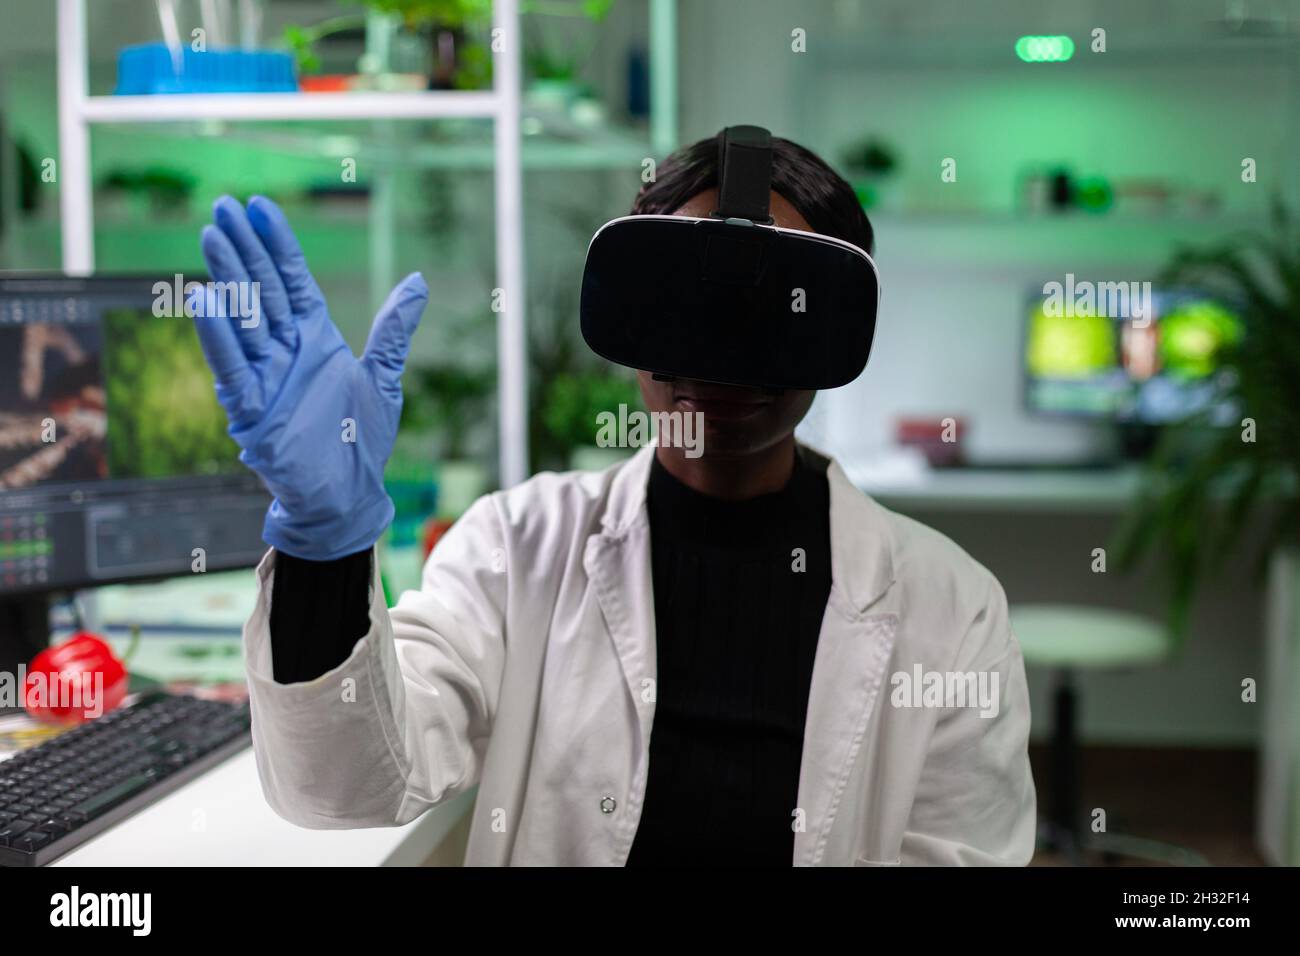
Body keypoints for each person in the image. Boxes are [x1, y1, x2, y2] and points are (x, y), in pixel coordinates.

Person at [191, 133, 1036, 867]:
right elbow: (343, 786)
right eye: (688, 304)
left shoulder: (951, 611)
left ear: (835, 331)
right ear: (632, 312)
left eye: (777, 308)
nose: (719, 358)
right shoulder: (515, 547)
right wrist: (323, 548)